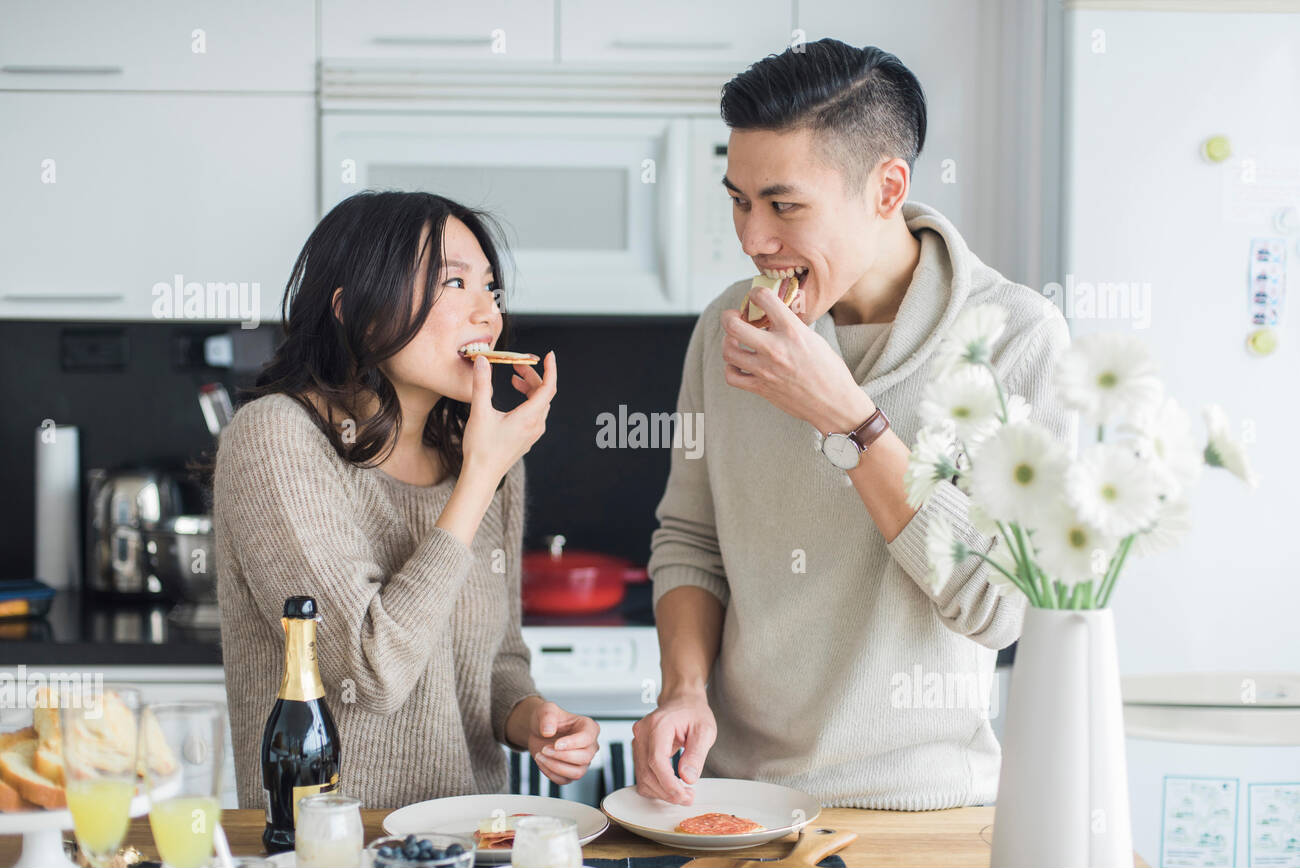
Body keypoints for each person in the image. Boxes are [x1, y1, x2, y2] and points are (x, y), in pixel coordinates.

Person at [636, 40, 1077, 810]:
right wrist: (685, 687)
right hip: (736, 803)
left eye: (784, 204)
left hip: (926, 810)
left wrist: (851, 420)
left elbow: (997, 607)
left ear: (886, 188)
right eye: (738, 199)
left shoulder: (1016, 338)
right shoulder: (725, 330)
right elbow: (691, 540)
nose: (752, 238)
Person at [211, 190, 599, 810]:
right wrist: (479, 477)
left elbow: (496, 660)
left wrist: (531, 719)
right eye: (453, 282)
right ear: (355, 311)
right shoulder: (276, 440)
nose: (488, 315)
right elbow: (369, 673)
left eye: (491, 290)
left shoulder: (477, 451)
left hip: (474, 839)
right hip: (333, 848)